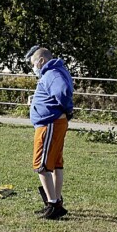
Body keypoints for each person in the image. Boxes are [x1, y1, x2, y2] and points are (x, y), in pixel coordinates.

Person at [26, 45, 75, 220]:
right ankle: (55, 201)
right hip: (54, 122)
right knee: (55, 164)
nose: (34, 68)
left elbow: (62, 92)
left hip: (50, 123)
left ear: (41, 60)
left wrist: (67, 109)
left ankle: (53, 204)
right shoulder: (56, 71)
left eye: (33, 63)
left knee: (42, 165)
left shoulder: (52, 73)